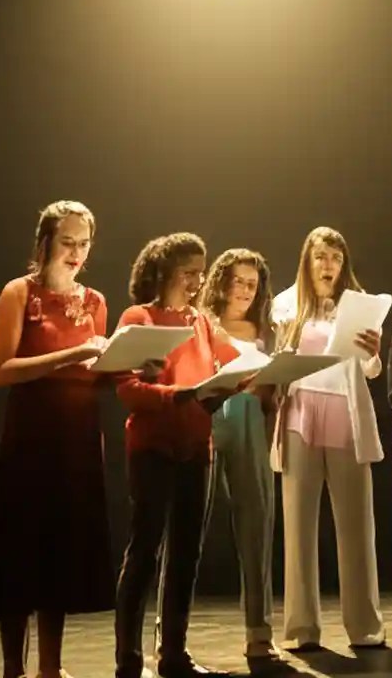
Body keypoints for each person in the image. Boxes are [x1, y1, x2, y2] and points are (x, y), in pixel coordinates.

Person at [0, 201, 115, 678]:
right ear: (44, 243)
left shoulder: (95, 301)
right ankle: (13, 669)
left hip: (77, 438)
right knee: (21, 552)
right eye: (68, 241)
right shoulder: (20, 293)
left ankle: (50, 669)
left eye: (84, 243)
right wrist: (72, 353)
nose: (77, 252)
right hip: (31, 438)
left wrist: (130, 367)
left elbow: (93, 373)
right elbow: (0, 371)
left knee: (61, 553)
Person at [113, 233, 244, 678]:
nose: (197, 280)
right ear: (165, 271)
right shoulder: (140, 316)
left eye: (200, 272)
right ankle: (128, 660)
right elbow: (127, 389)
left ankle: (173, 654)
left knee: (186, 553)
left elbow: (231, 366)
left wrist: (237, 380)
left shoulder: (202, 322)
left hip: (196, 448)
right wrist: (177, 395)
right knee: (144, 552)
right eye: (189, 272)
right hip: (153, 448)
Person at [270, 227, 386, 651]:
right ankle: (302, 629)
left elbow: (370, 370)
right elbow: (273, 362)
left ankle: (365, 627)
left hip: (344, 414)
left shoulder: (358, 304)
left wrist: (374, 352)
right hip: (301, 415)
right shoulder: (285, 304)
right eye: (321, 256)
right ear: (308, 260)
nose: (328, 265)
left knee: (357, 527)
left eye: (335, 258)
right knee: (298, 527)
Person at [185, 248, 285, 667]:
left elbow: (273, 392)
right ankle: (170, 636)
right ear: (221, 281)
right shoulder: (200, 321)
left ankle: (259, 634)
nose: (244, 289)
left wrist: (271, 383)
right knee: (188, 530)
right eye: (237, 280)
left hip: (249, 421)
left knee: (257, 526)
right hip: (207, 418)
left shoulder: (267, 329)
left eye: (252, 282)